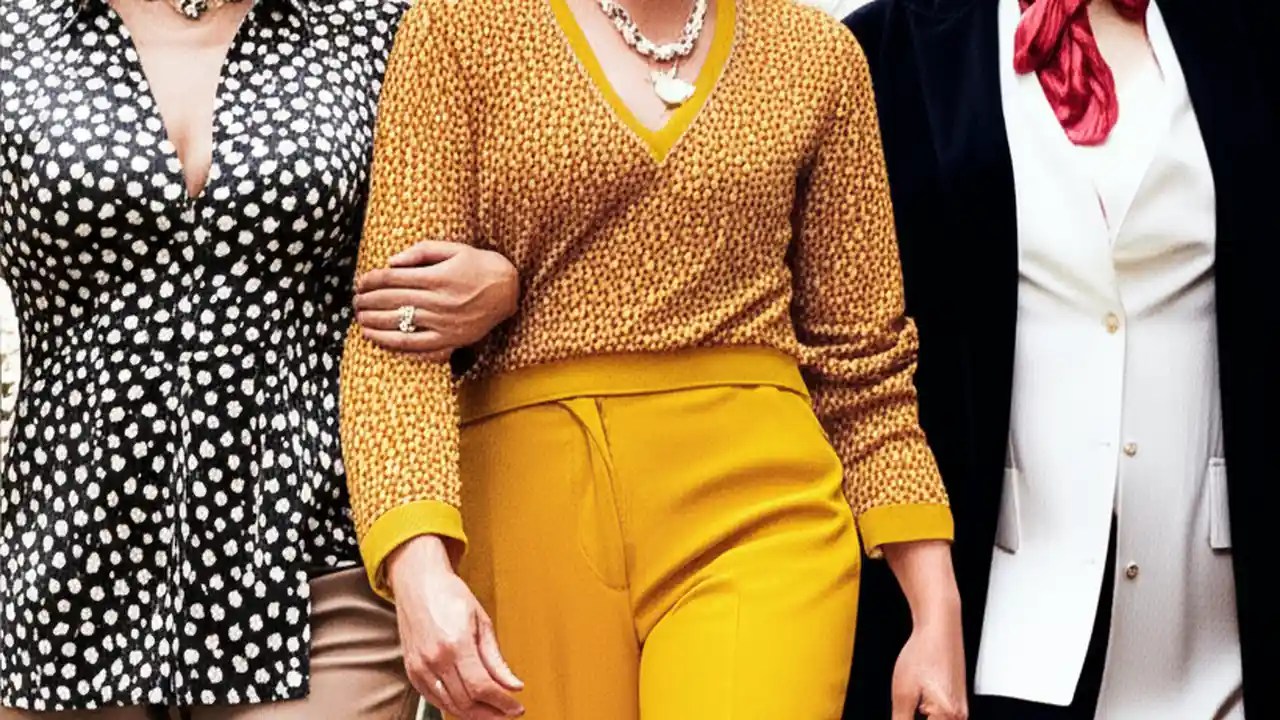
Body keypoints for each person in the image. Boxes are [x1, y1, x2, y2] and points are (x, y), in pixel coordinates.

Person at [340, 0, 969, 717]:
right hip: (524, 514)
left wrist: (935, 607)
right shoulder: (461, 29)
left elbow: (864, 363)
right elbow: (394, 327)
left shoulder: (817, 54)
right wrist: (419, 569)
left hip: (761, 511)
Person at [0, 0, 519, 716]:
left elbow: (517, 211)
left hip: (315, 562)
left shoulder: (377, 26)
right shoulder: (18, 33)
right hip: (66, 571)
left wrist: (506, 284)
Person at [843, 0, 1277, 717]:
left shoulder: (1250, 35)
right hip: (1004, 633)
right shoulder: (884, 50)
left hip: (1212, 636)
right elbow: (857, 362)